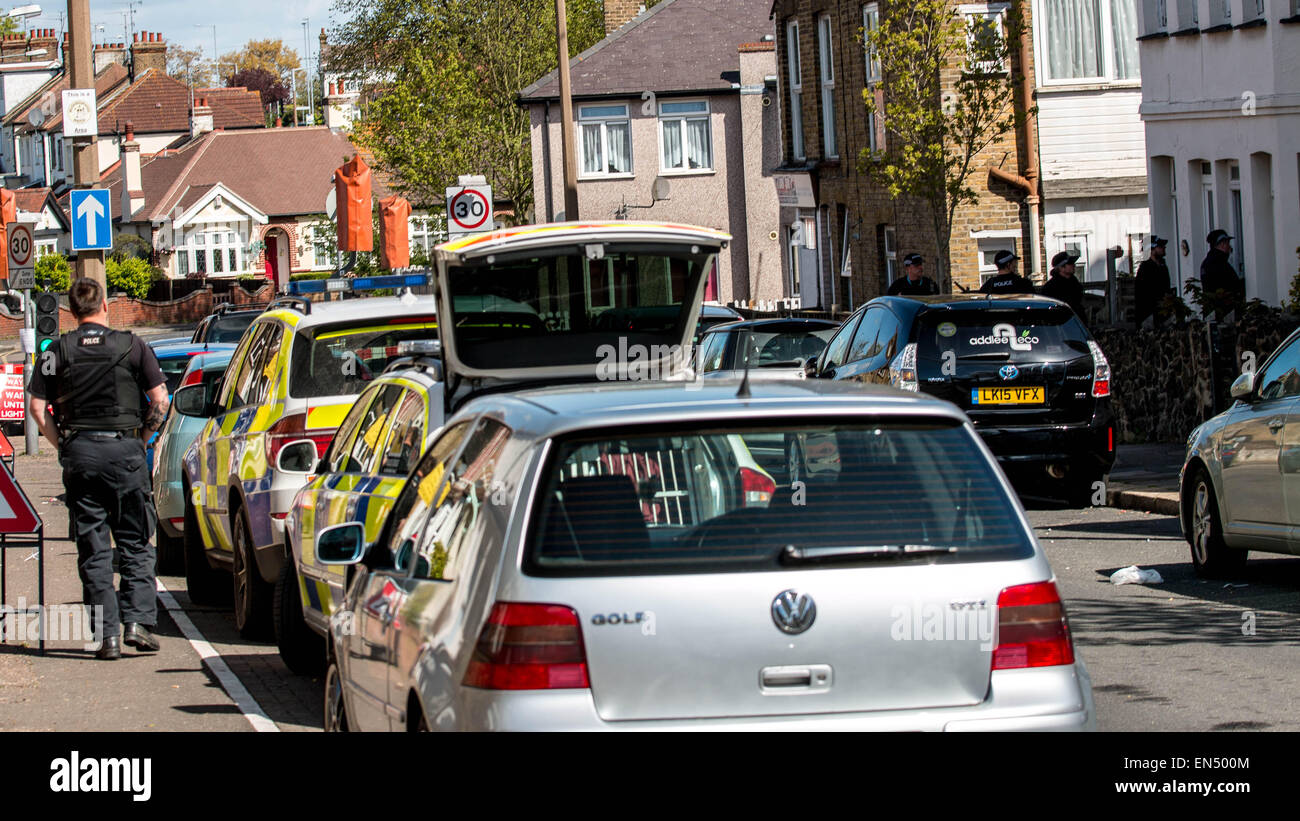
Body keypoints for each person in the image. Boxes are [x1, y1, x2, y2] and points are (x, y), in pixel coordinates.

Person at [27, 278, 170, 661]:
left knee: (93, 547)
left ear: (72, 313)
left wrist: (64, 447)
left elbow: (37, 409)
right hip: (125, 451)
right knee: (135, 541)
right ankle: (137, 622)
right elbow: (160, 401)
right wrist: (140, 440)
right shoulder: (133, 345)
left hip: (81, 455)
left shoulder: (55, 352)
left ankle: (106, 637)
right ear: (104, 306)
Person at [1200, 229, 1244, 318]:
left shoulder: (1208, 262)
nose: (1229, 247)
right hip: (1222, 313)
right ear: (1222, 244)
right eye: (1228, 243)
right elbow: (1228, 285)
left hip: (1213, 312)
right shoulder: (1218, 263)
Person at [1134, 235, 1171, 327]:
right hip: (1149, 315)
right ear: (1152, 249)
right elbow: (1143, 294)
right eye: (1160, 246)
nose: (1164, 248)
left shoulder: (1162, 266)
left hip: (1163, 312)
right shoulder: (1145, 269)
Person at [1041, 251, 1085, 315]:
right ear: (1061, 267)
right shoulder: (1051, 287)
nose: (1074, 265)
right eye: (1070, 263)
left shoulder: (1074, 282)